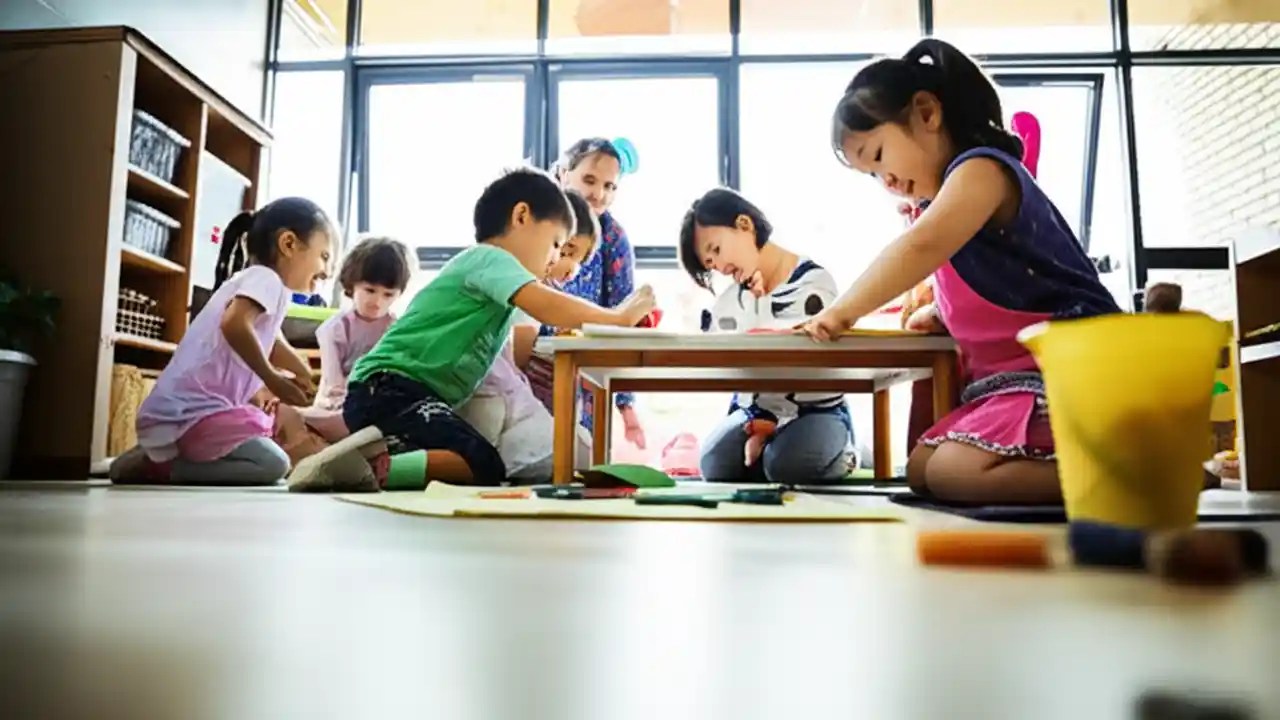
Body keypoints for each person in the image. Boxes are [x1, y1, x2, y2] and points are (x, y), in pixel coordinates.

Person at [802, 38, 1120, 504]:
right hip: (1010, 383)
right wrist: (942, 312)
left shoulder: (981, 171)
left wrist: (843, 311)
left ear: (927, 113)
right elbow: (982, 282)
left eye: (878, 156)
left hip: (1069, 372)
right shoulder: (945, 199)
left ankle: (1132, 475)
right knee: (921, 470)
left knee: (953, 472)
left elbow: (920, 247)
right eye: (870, 176)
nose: (885, 182)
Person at [287, 167, 655, 492]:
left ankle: (352, 450)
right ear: (522, 216)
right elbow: (543, 302)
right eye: (555, 244)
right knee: (484, 463)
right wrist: (618, 317)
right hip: (391, 387)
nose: (555, 258)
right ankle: (367, 467)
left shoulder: (494, 278)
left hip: (400, 393)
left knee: (466, 454)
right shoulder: (489, 259)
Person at [109, 197, 336, 485]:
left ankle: (157, 458)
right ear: (289, 244)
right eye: (324, 256)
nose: (327, 271)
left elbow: (268, 338)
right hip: (195, 413)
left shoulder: (268, 286)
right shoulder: (265, 278)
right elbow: (235, 325)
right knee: (274, 464)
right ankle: (162, 468)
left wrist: (298, 368)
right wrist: (272, 378)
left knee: (270, 459)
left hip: (193, 413)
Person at [680, 188, 854, 483]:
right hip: (755, 412)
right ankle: (770, 450)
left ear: (745, 225)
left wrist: (760, 309)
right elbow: (718, 352)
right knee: (714, 465)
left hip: (813, 410)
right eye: (710, 265)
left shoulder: (814, 282)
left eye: (717, 250)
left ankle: (845, 449)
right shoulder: (735, 297)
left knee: (785, 466)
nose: (720, 268)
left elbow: (806, 358)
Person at [460, 189, 600, 480]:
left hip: (505, 394)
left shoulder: (530, 284)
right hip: (493, 392)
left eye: (578, 260)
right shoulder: (521, 285)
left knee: (579, 446)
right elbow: (519, 347)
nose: (571, 268)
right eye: (565, 251)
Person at [529, 137, 647, 450]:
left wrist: (626, 404)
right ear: (563, 174)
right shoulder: (538, 224)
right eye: (590, 180)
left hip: (584, 367)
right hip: (530, 356)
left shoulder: (613, 237)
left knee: (579, 453)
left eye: (610, 186)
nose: (599, 194)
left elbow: (622, 315)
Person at [270, 236, 412, 465]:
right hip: (336, 404)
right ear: (352, 284)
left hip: (375, 404)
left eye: (388, 294)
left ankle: (344, 450)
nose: (377, 301)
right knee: (296, 413)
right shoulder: (334, 328)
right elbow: (333, 383)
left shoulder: (396, 329)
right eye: (370, 290)